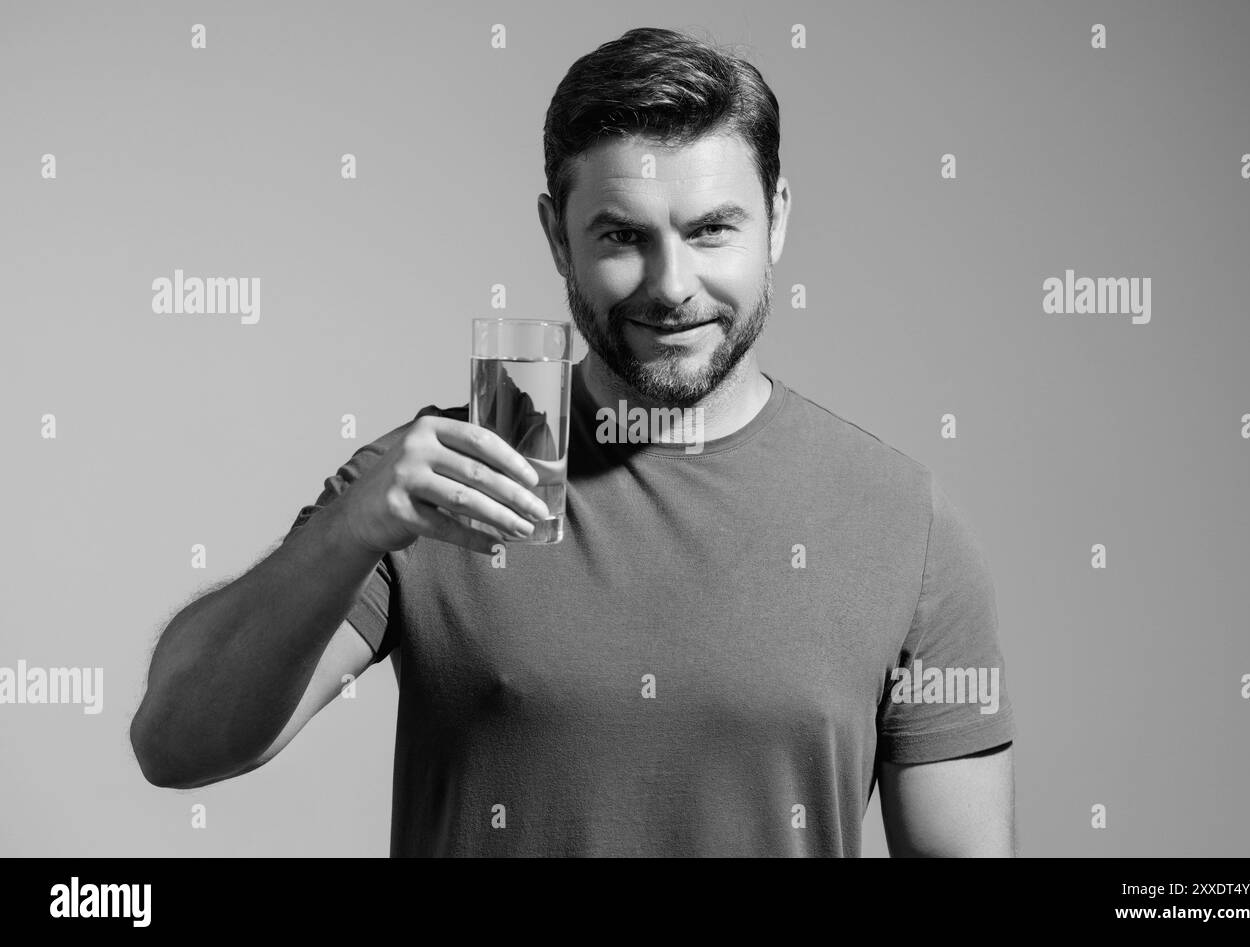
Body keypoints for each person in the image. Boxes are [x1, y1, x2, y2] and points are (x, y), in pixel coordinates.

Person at [130, 26, 1017, 857]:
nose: (673, 287)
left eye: (713, 229)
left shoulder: (905, 522)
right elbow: (176, 743)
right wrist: (350, 527)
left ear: (777, 218)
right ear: (558, 235)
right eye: (624, 237)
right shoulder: (437, 481)